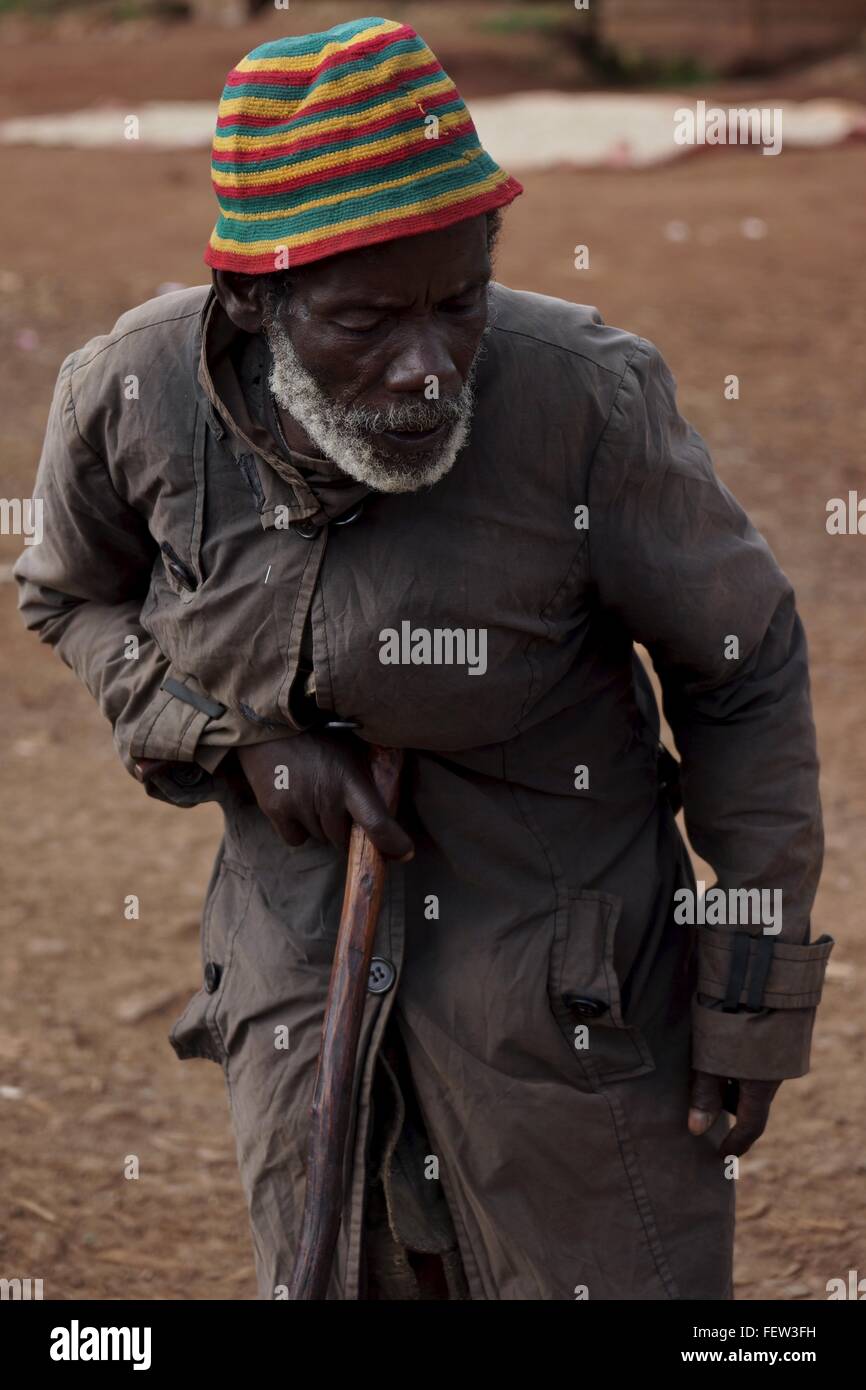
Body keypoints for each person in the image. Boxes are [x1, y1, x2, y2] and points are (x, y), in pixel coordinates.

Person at [15, 17, 832, 1300]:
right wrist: (238, 738)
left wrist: (748, 989)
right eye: (363, 323)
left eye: (459, 304)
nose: (425, 369)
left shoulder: (583, 403)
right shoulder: (130, 400)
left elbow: (742, 668)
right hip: (295, 974)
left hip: (571, 1008)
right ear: (249, 298)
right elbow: (70, 599)